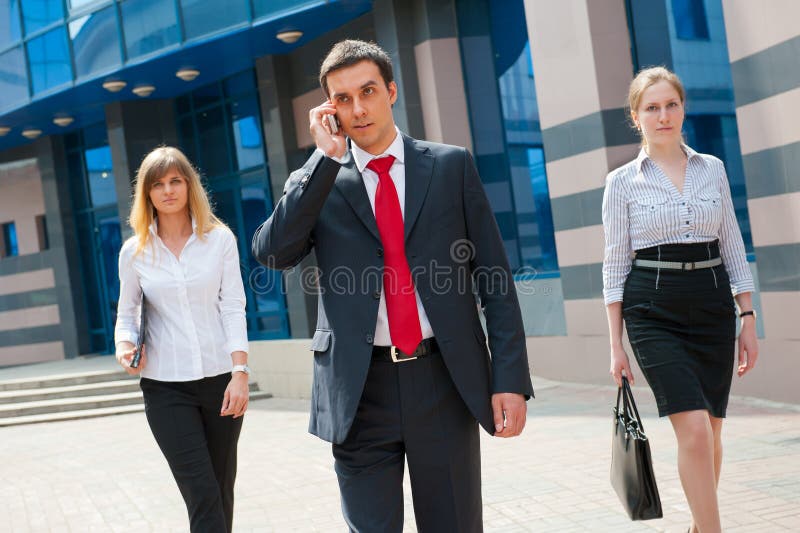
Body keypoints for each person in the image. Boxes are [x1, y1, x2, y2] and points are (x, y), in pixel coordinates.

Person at [252, 39, 533, 532]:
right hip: (359, 390)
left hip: (442, 381)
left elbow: (495, 279)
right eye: (342, 99)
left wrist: (509, 379)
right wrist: (324, 160)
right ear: (329, 110)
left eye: (367, 91)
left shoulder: (450, 166)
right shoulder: (318, 180)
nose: (358, 109)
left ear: (391, 91)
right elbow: (272, 253)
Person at [602, 67, 759, 533]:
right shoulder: (622, 182)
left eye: (671, 104)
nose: (663, 115)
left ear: (683, 109)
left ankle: (697, 526)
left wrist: (747, 316)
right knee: (691, 430)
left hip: (712, 307)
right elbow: (613, 266)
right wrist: (617, 345)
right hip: (652, 310)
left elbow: (732, 243)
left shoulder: (713, 169)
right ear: (636, 116)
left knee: (710, 433)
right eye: (652, 107)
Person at [115, 146, 250, 533]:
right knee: (202, 492)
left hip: (221, 383)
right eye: (158, 184)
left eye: (176, 181)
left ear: (190, 186)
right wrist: (124, 346)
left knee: (221, 489)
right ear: (147, 194)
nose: (168, 190)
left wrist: (239, 372)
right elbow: (127, 313)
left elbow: (233, 308)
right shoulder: (135, 251)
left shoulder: (219, 240)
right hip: (165, 388)